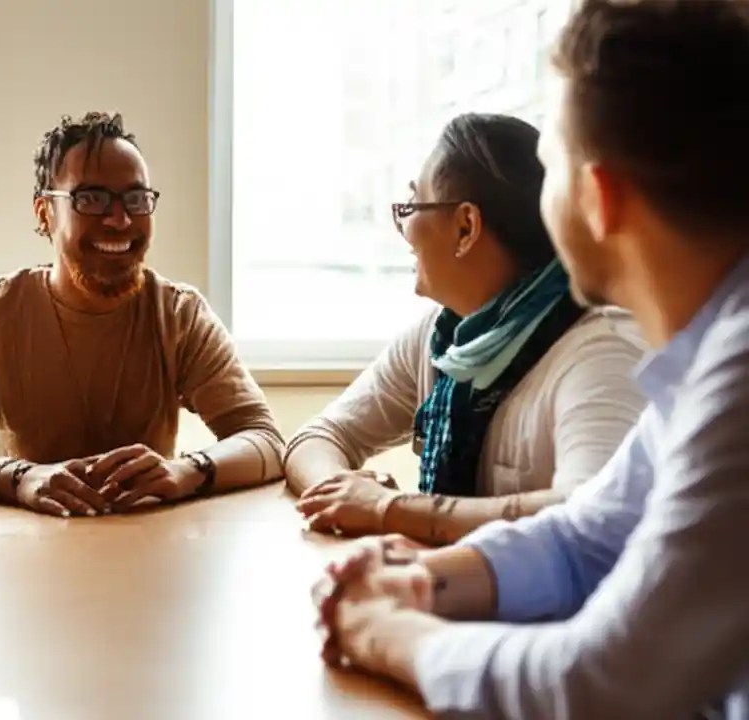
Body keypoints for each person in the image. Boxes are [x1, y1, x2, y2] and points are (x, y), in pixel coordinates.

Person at [315, 1, 749, 717]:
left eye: (550, 166)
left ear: (599, 196)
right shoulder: (708, 359)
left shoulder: (734, 381)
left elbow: (601, 684)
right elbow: (587, 538)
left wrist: (386, 633)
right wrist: (423, 580)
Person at [287, 113, 646, 546]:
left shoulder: (602, 353)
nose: (404, 230)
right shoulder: (445, 336)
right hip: (450, 581)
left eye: (412, 207)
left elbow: (594, 516)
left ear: (465, 228)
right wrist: (341, 493)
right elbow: (320, 436)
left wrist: (390, 509)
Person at [0, 111, 283, 517]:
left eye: (136, 199)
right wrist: (18, 478)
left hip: (149, 541)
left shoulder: (179, 315)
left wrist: (187, 471)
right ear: (44, 213)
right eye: (91, 199)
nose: (120, 219)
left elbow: (265, 440)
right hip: (24, 540)